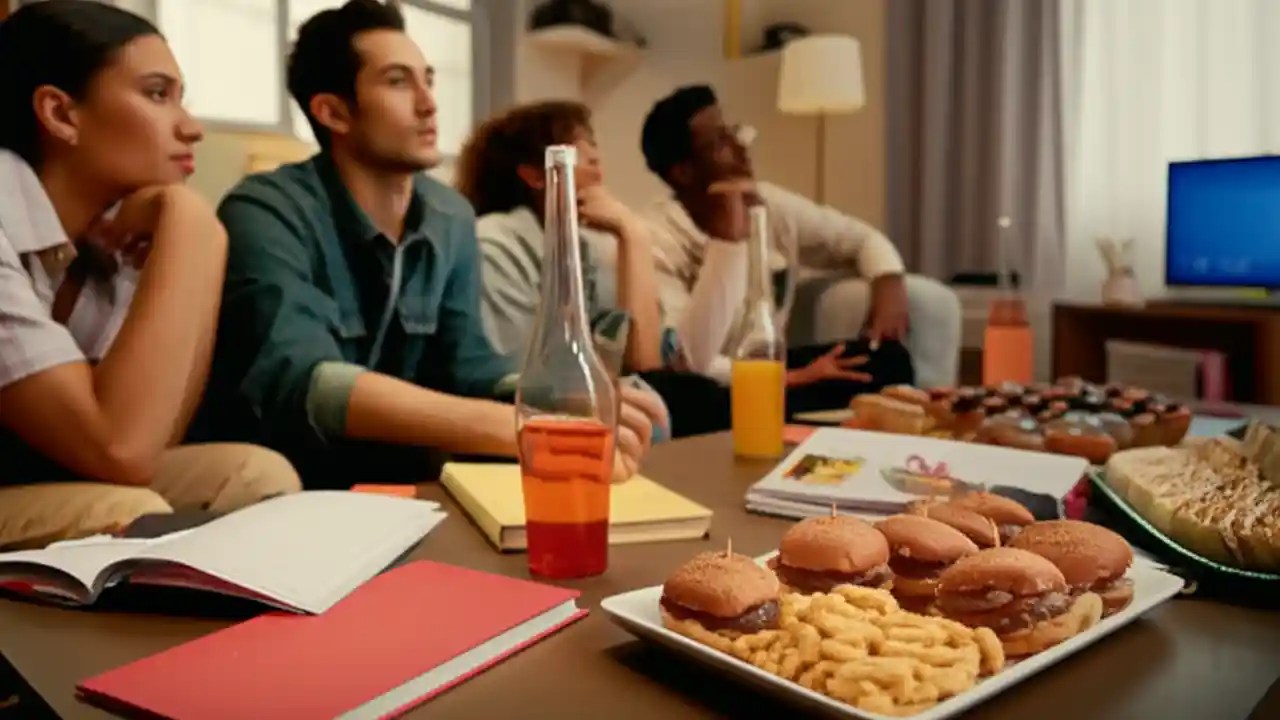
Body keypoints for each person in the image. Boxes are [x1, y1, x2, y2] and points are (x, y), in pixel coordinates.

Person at [195, 0, 664, 489]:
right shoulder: (266, 209)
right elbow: (307, 383)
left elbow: (469, 365)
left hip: (407, 478)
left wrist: (559, 398)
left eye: (429, 80)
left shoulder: (450, 215)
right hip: (295, 480)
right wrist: (525, 427)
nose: (429, 102)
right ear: (333, 111)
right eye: (398, 82)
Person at [0, 1, 300, 550]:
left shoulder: (114, 234)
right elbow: (123, 450)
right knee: (129, 510)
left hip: (31, 479)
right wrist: (196, 224)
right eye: (158, 94)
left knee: (255, 474)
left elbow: (159, 429)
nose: (191, 128)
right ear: (61, 114)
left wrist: (186, 236)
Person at [639, 85, 962, 395]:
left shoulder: (769, 204)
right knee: (699, 396)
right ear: (683, 172)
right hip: (717, 386)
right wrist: (792, 377)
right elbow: (686, 361)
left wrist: (889, 285)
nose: (741, 145)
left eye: (734, 131)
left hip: (771, 364)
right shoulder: (658, 237)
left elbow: (860, 239)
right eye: (721, 141)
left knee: (887, 361)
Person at [457, 100, 731, 437]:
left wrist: (633, 234)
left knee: (704, 395)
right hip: (530, 411)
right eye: (577, 145)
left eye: (594, 144)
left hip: (602, 395)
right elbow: (524, 381)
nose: (595, 156)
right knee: (696, 403)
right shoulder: (495, 243)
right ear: (533, 174)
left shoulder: (587, 246)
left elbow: (644, 360)